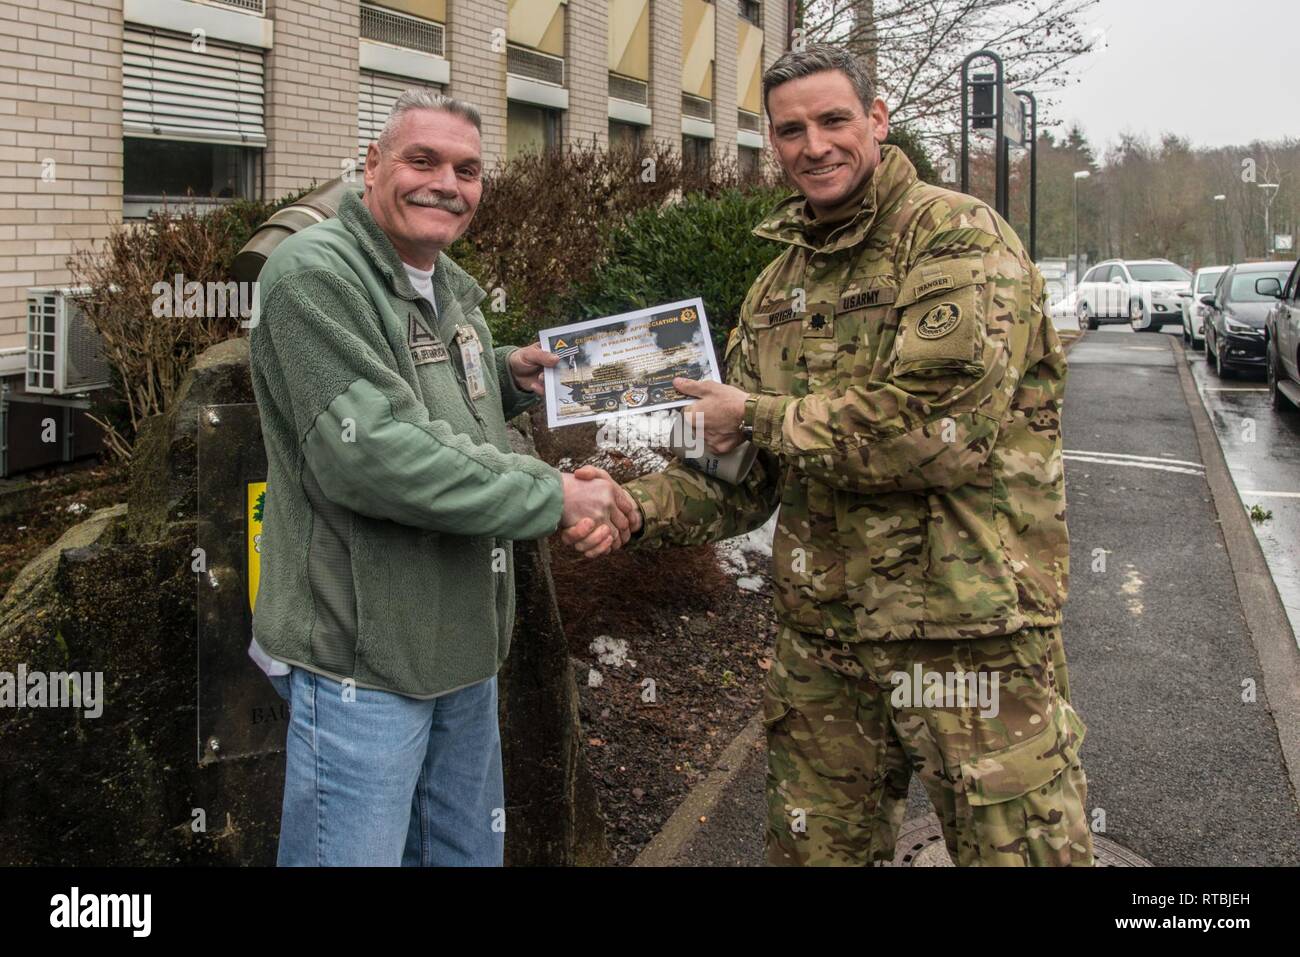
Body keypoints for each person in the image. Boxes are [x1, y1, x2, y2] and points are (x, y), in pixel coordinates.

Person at [565, 44, 1092, 866]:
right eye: (790, 129)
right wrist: (636, 507)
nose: (814, 145)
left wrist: (760, 415)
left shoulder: (955, 238)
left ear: (876, 121)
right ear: (772, 143)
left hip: (967, 640)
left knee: (1019, 854)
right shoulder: (777, 287)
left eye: (834, 119)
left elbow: (938, 430)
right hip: (826, 652)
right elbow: (740, 477)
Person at [248, 90, 637, 866]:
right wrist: (552, 495)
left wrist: (507, 376)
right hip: (363, 660)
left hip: (460, 649)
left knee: (463, 855)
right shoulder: (312, 276)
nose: (446, 184)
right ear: (372, 166)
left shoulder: (445, 281)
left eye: (467, 169)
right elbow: (372, 453)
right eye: (421, 160)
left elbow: (427, 394)